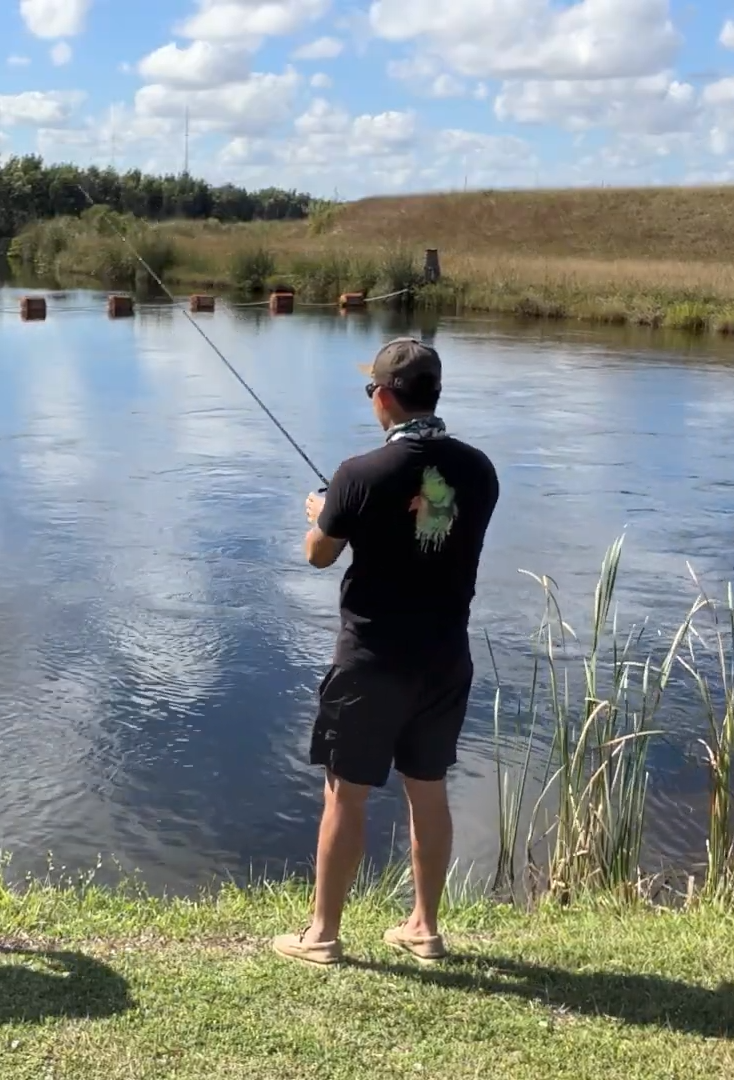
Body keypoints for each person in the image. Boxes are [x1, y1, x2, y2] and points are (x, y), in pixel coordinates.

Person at [274, 337, 500, 967]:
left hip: (372, 659)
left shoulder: (359, 474)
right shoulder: (480, 470)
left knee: (345, 794)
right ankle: (424, 928)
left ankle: (322, 935)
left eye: (371, 389)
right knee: (428, 790)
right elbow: (434, 529)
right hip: (445, 658)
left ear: (384, 397)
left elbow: (318, 555)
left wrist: (324, 514)